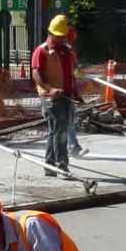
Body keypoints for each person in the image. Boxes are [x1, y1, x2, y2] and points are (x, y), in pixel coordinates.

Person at [31, 14, 78, 175]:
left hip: (66, 96)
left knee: (55, 131)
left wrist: (76, 93)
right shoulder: (41, 51)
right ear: (51, 33)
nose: (61, 39)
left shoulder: (66, 51)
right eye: (59, 36)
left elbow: (71, 74)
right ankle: (61, 164)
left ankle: (49, 165)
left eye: (63, 36)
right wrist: (49, 89)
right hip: (50, 97)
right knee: (61, 128)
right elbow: (36, 74)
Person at [65, 24, 87, 158]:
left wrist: (76, 93)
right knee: (65, 121)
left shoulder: (69, 51)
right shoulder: (64, 51)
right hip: (59, 92)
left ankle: (72, 147)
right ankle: (71, 147)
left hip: (68, 91)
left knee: (69, 120)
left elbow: (73, 73)